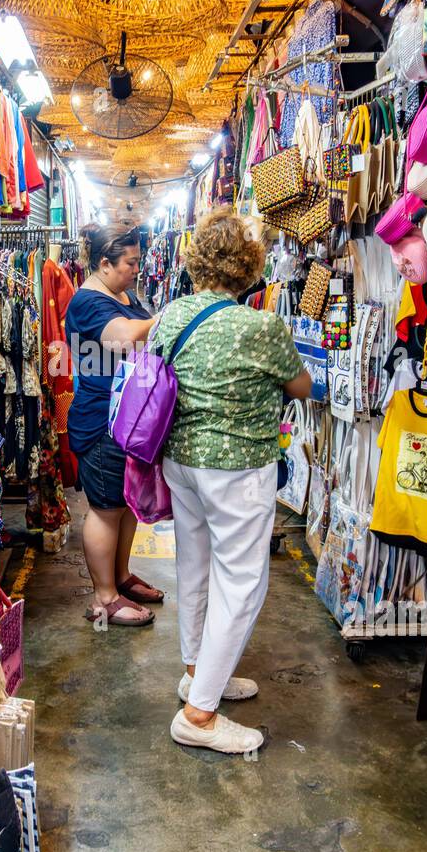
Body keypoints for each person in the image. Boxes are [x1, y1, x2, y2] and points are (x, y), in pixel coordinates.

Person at [154, 209, 312, 754]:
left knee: (195, 567)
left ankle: (197, 674)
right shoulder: (261, 326)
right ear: (249, 267)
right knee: (242, 582)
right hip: (237, 467)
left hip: (180, 460)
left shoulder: (172, 314)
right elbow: (301, 386)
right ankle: (199, 715)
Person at [64, 225, 161, 627]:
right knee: (106, 509)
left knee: (126, 505)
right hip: (102, 420)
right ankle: (104, 597)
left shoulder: (122, 294)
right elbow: (124, 339)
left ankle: (120, 577)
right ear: (104, 263)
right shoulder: (87, 302)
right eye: (130, 263)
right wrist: (168, 317)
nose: (137, 269)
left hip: (129, 418)